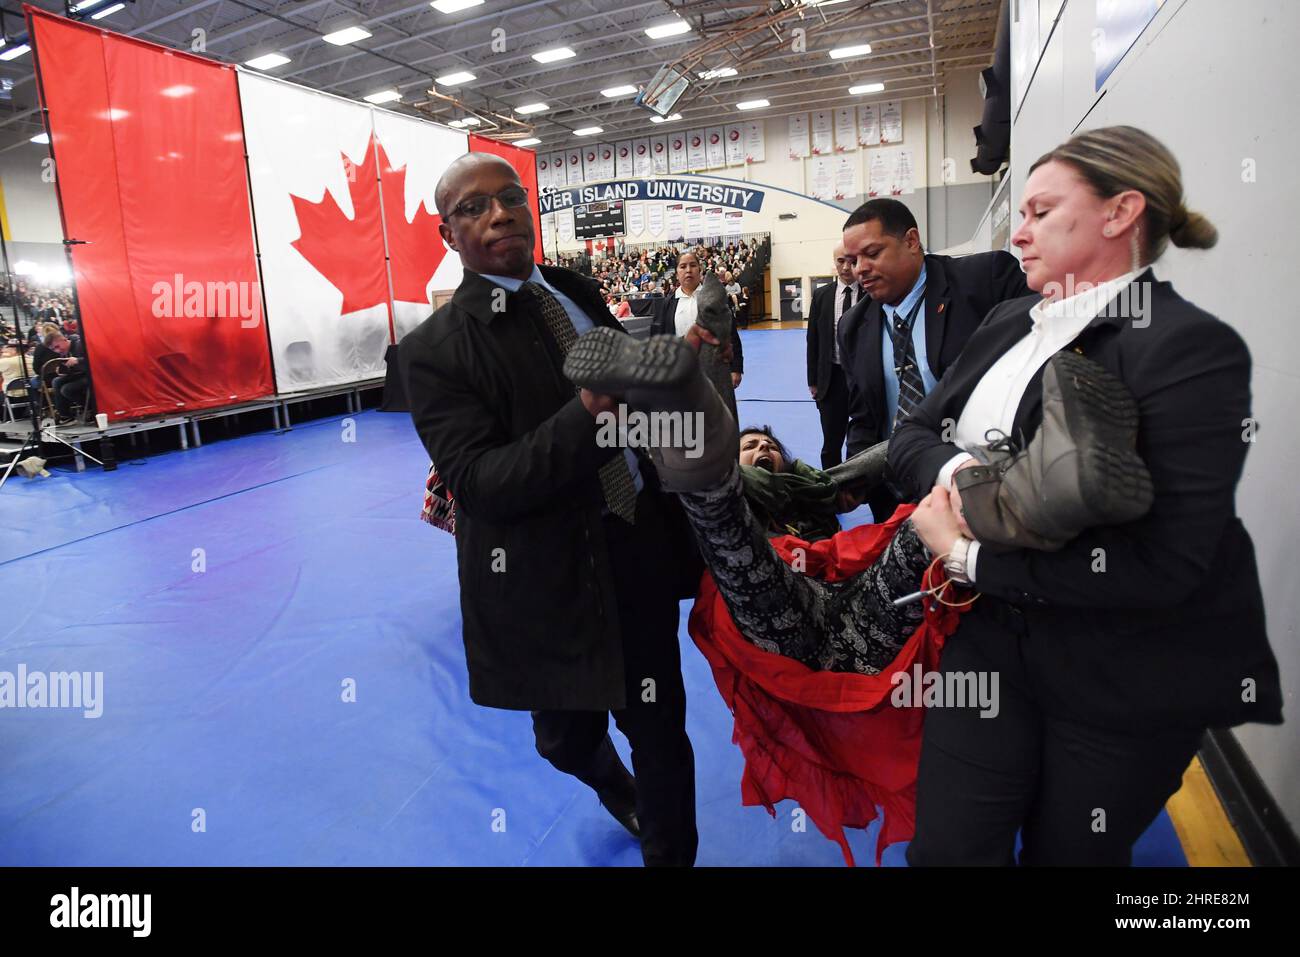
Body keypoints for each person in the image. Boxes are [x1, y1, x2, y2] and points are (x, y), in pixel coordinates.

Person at [561, 317, 1157, 862]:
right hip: (773, 622)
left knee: (921, 529)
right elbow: (738, 516)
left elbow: (872, 470)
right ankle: (682, 400)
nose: (763, 448)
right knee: (730, 532)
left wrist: (928, 449)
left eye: (769, 444)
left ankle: (1050, 482)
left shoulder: (815, 488)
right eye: (751, 443)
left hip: (854, 619)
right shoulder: (750, 488)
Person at [888, 125, 1283, 865]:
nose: (1019, 230)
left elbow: (1164, 566)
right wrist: (971, 484)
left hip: (1124, 671)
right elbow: (911, 435)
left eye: (1041, 211)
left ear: (1120, 212)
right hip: (991, 644)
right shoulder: (1009, 322)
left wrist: (970, 556)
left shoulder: (1186, 348)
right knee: (945, 848)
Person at [399, 152, 702, 867]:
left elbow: (631, 403)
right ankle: (611, 784)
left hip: (633, 546)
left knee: (660, 726)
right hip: (540, 579)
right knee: (563, 737)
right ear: (448, 236)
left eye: (510, 197)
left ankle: (672, 853)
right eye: (473, 208)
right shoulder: (433, 351)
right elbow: (481, 483)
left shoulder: (574, 289)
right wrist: (589, 415)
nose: (499, 213)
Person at [838, 199, 1029, 521]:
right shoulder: (853, 326)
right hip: (897, 496)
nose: (860, 270)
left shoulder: (986, 281)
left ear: (911, 241)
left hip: (988, 484)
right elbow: (864, 418)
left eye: (872, 254)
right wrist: (855, 478)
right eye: (853, 260)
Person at [649, 250, 744, 392]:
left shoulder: (714, 298)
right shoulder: (668, 303)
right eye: (683, 266)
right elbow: (659, 340)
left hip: (714, 369)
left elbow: (730, 334)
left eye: (693, 265)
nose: (688, 270)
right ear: (676, 272)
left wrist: (736, 368)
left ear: (700, 269)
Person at [806, 245, 864, 468]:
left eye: (851, 261)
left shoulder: (871, 293)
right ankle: (830, 490)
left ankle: (859, 485)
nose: (846, 267)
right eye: (841, 261)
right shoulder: (822, 295)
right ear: (834, 262)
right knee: (831, 442)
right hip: (831, 379)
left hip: (863, 380)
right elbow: (813, 340)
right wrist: (813, 380)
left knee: (863, 440)